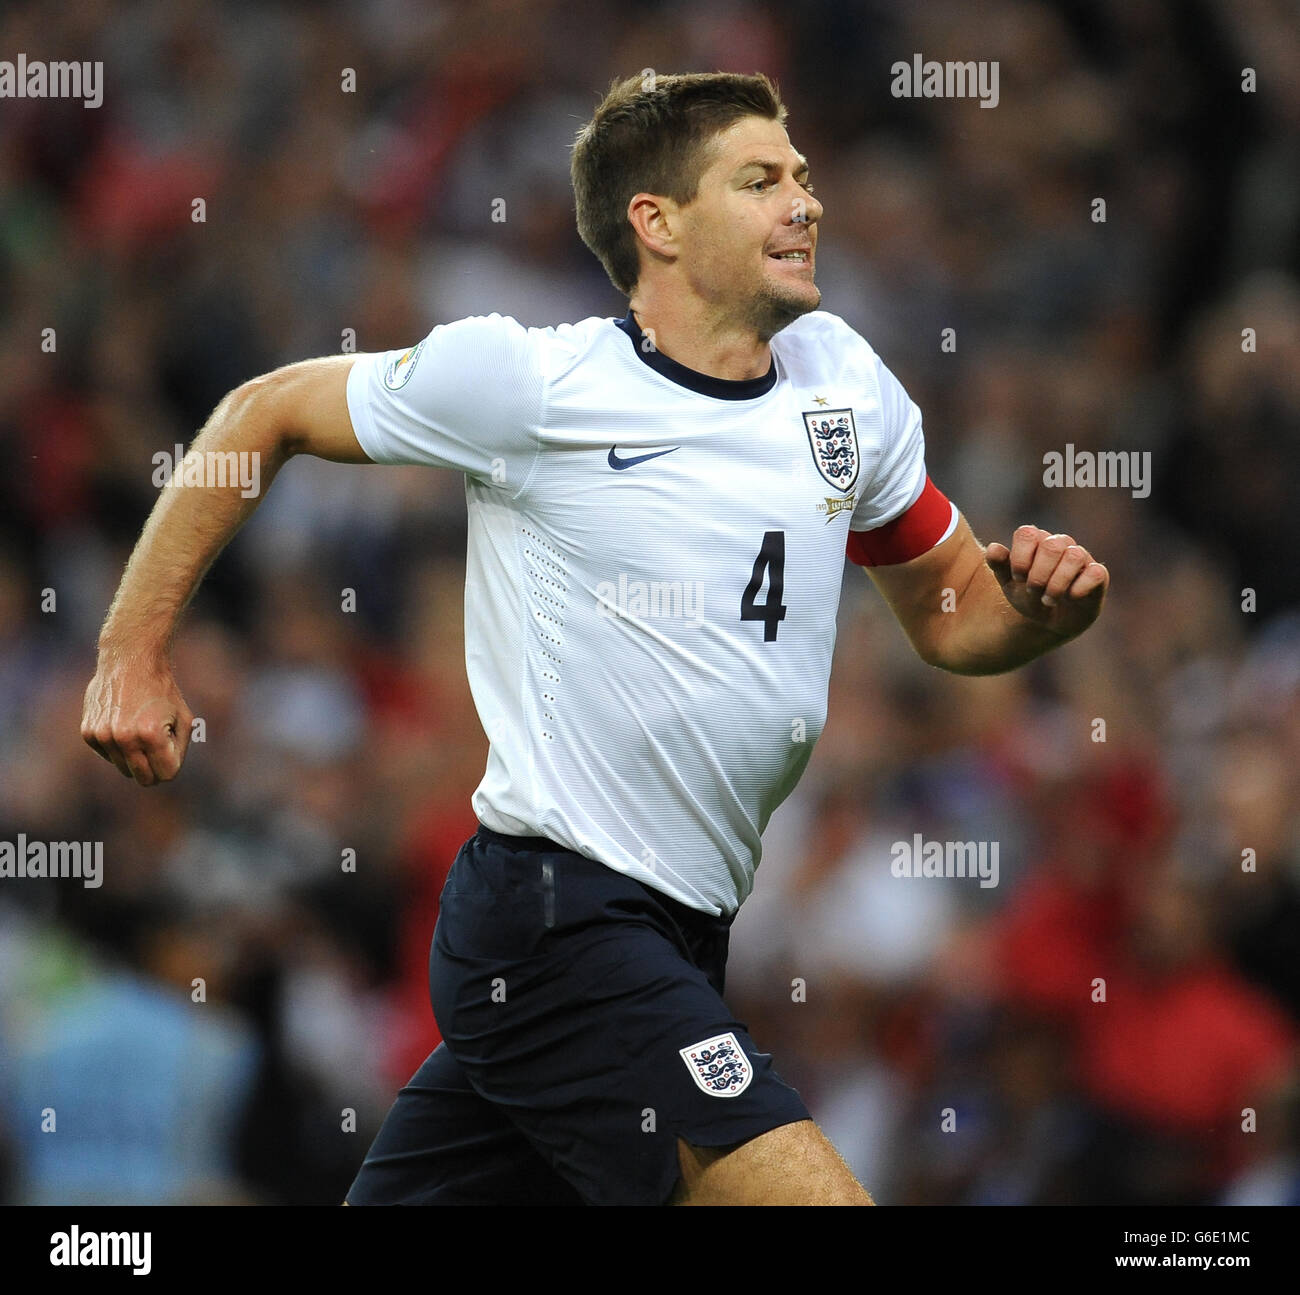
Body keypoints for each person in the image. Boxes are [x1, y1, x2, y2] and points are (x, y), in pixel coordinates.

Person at [81, 71, 1109, 1206]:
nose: (804, 203)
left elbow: (955, 612)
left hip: (677, 933)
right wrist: (133, 649)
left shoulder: (842, 383)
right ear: (656, 222)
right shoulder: (531, 383)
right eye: (759, 180)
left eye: (804, 177)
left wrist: (1044, 614)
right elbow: (262, 411)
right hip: (559, 918)